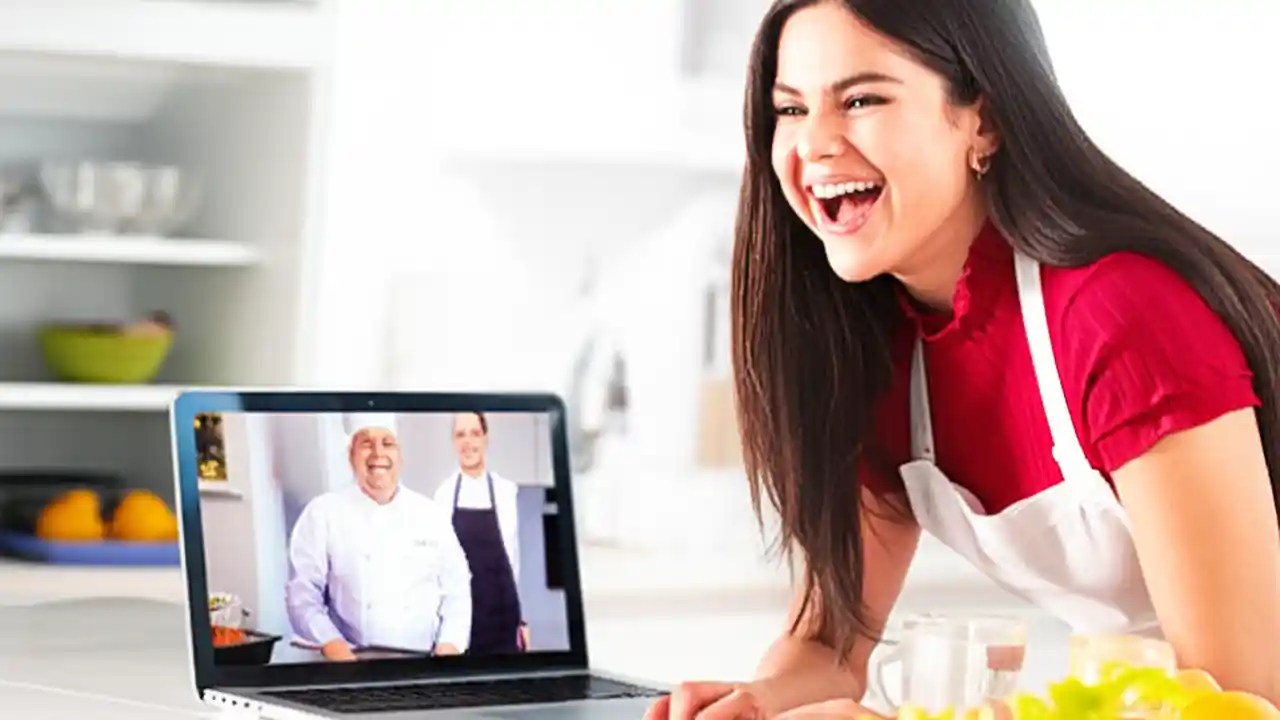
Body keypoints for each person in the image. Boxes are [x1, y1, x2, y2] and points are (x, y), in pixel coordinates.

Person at [648, 1, 1280, 718]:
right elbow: (827, 647)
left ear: (984, 120)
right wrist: (758, 704)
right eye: (790, 110)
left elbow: (1236, 697)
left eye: (861, 99)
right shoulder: (875, 346)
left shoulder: (1120, 315)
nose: (814, 145)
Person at [285, 413, 472, 662]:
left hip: (425, 664)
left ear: (400, 455)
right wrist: (332, 644)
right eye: (366, 443)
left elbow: (457, 589)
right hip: (350, 664)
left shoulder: (430, 514)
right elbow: (302, 593)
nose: (377, 453)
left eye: (387, 443)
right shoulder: (323, 513)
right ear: (351, 455)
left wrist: (449, 648)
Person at [434, 411, 529, 654]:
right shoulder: (443, 495)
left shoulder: (507, 491)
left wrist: (522, 620)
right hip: (463, 621)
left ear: (485, 439)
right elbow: (440, 568)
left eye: (475, 434)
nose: (468, 442)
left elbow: (514, 559)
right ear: (454, 442)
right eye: (460, 435)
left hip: (504, 615)